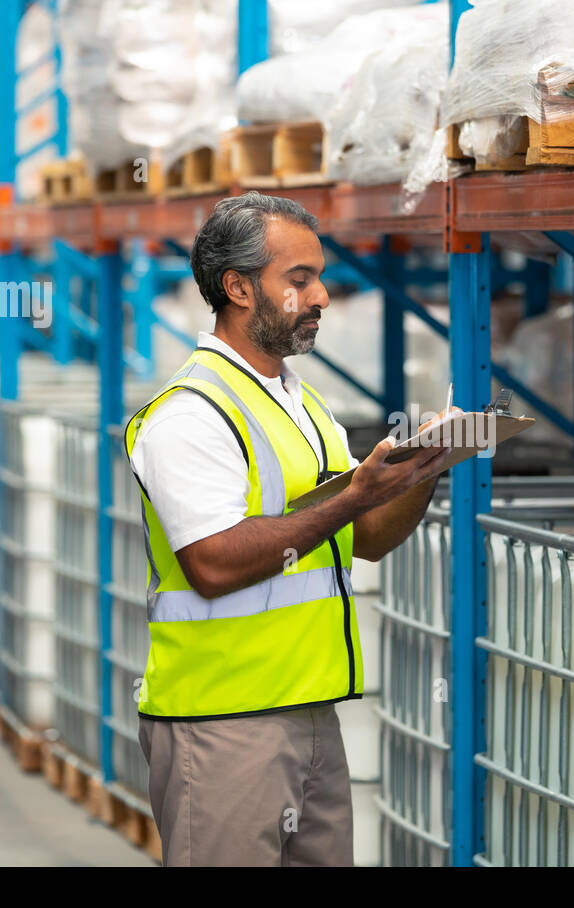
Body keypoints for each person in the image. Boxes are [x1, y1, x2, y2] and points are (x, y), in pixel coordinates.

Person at [125, 191, 454, 866]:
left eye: (320, 277)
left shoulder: (301, 406)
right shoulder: (190, 414)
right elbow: (213, 565)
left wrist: (421, 473)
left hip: (311, 713)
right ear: (238, 287)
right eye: (298, 280)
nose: (323, 295)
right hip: (223, 725)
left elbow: (365, 538)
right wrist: (352, 497)